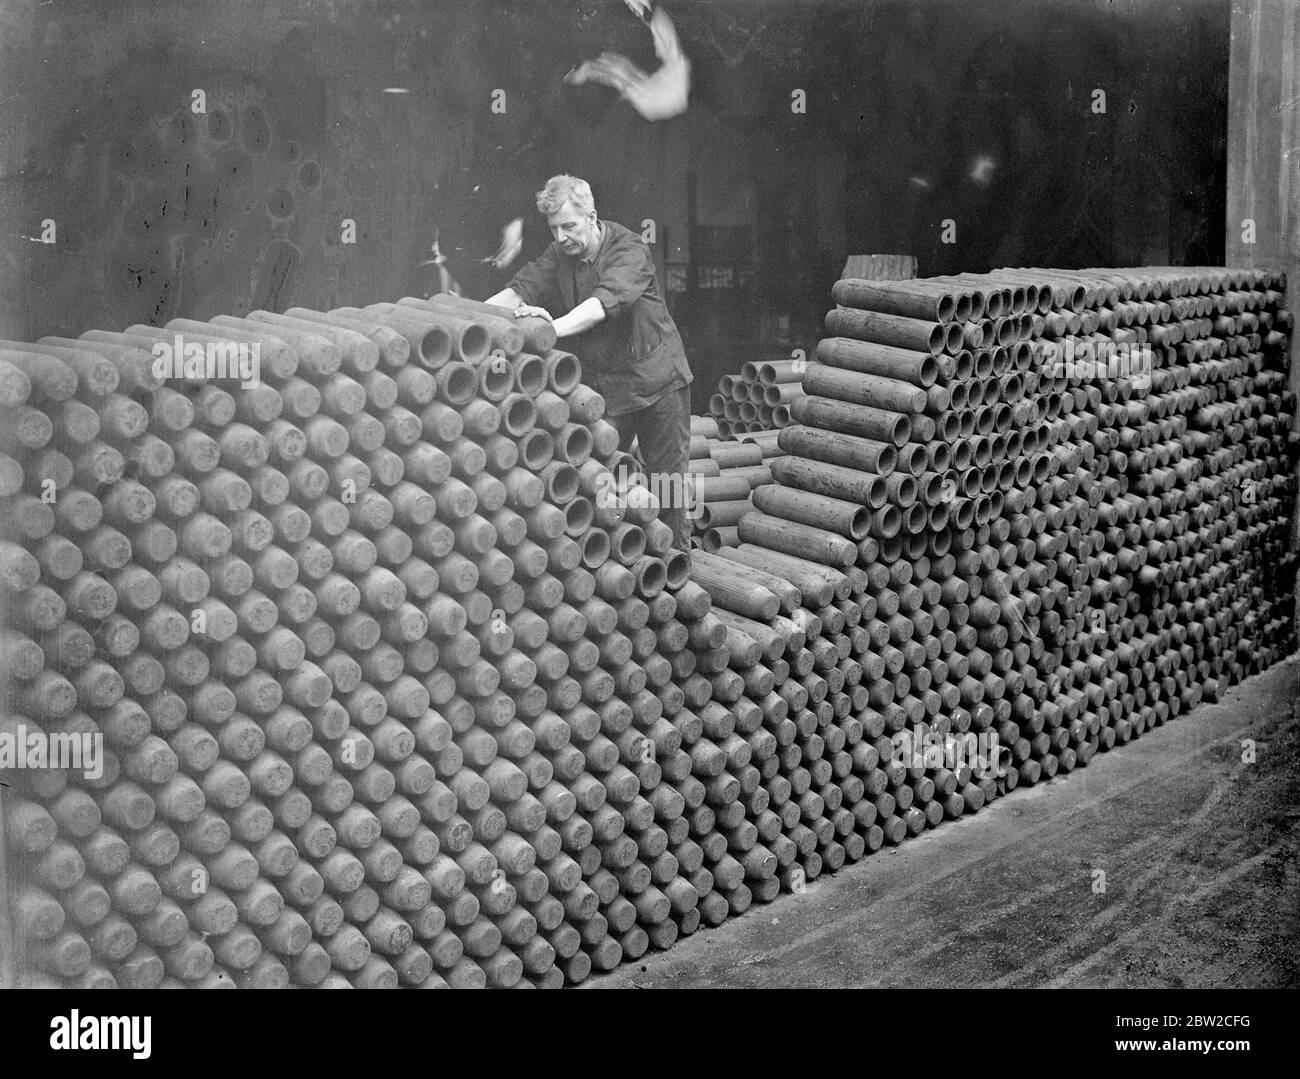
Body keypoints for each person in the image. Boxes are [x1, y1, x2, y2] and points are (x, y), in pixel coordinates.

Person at [486, 174, 694, 553]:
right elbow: (521, 289)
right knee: (593, 476)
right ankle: (623, 565)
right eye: (554, 228)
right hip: (608, 390)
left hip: (658, 384)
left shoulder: (629, 250)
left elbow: (601, 305)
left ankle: (677, 571)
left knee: (667, 486)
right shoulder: (561, 254)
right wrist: (472, 317)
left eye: (569, 225)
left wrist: (551, 326)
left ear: (592, 216)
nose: (561, 236)